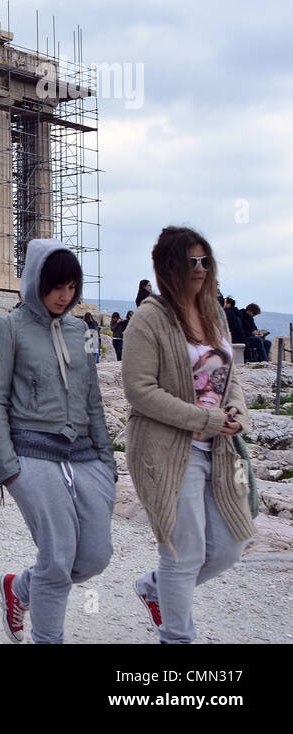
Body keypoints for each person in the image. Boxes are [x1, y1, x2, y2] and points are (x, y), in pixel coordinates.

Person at [123, 226, 254, 644]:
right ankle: (176, 638)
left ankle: (156, 588)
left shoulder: (213, 313)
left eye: (205, 261)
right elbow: (140, 391)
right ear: (168, 268)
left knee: (230, 547)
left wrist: (236, 412)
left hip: (217, 451)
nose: (199, 269)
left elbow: (229, 378)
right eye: (190, 262)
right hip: (166, 450)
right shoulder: (149, 318)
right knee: (184, 553)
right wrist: (207, 420)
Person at [0, 240, 116, 644]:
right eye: (57, 286)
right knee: (58, 560)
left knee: (95, 556)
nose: (65, 295)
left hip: (84, 457)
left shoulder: (83, 331)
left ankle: (21, 588)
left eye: (72, 286)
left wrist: (107, 465)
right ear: (36, 282)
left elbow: (92, 397)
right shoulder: (7, 328)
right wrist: (8, 468)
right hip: (32, 452)